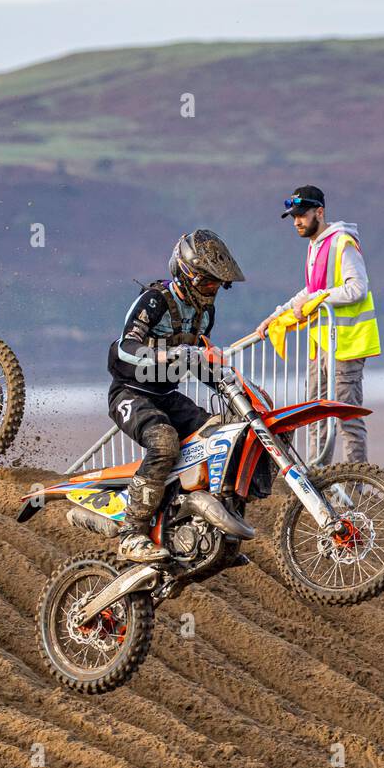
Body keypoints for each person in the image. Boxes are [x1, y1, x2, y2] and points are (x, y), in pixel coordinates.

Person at [107, 229, 246, 562]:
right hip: (130, 393)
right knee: (164, 442)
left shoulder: (204, 314)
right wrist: (167, 355)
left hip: (166, 395)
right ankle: (131, 532)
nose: (213, 290)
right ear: (187, 274)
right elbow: (126, 347)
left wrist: (233, 389)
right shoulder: (155, 300)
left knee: (224, 436)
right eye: (208, 283)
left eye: (217, 284)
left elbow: (197, 362)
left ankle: (207, 530)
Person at [254, 186, 379, 466]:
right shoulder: (316, 245)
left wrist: (317, 299)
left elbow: (357, 288)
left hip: (346, 345)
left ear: (319, 212)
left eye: (301, 215)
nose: (297, 222)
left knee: (348, 417)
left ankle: (356, 486)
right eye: (293, 217)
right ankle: (317, 481)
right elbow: (312, 290)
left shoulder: (341, 242)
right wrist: (276, 316)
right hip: (320, 345)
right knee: (314, 414)